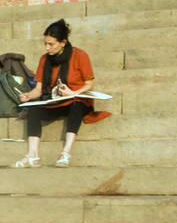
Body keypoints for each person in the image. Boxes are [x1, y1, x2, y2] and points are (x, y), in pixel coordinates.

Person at [13, 19, 109, 168]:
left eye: (51, 44)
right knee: (33, 108)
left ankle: (66, 153)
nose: (47, 47)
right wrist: (28, 96)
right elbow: (38, 89)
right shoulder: (45, 59)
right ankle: (33, 154)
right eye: (45, 43)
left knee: (77, 104)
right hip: (54, 100)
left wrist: (73, 92)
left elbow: (89, 84)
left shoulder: (79, 55)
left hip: (75, 99)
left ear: (63, 43)